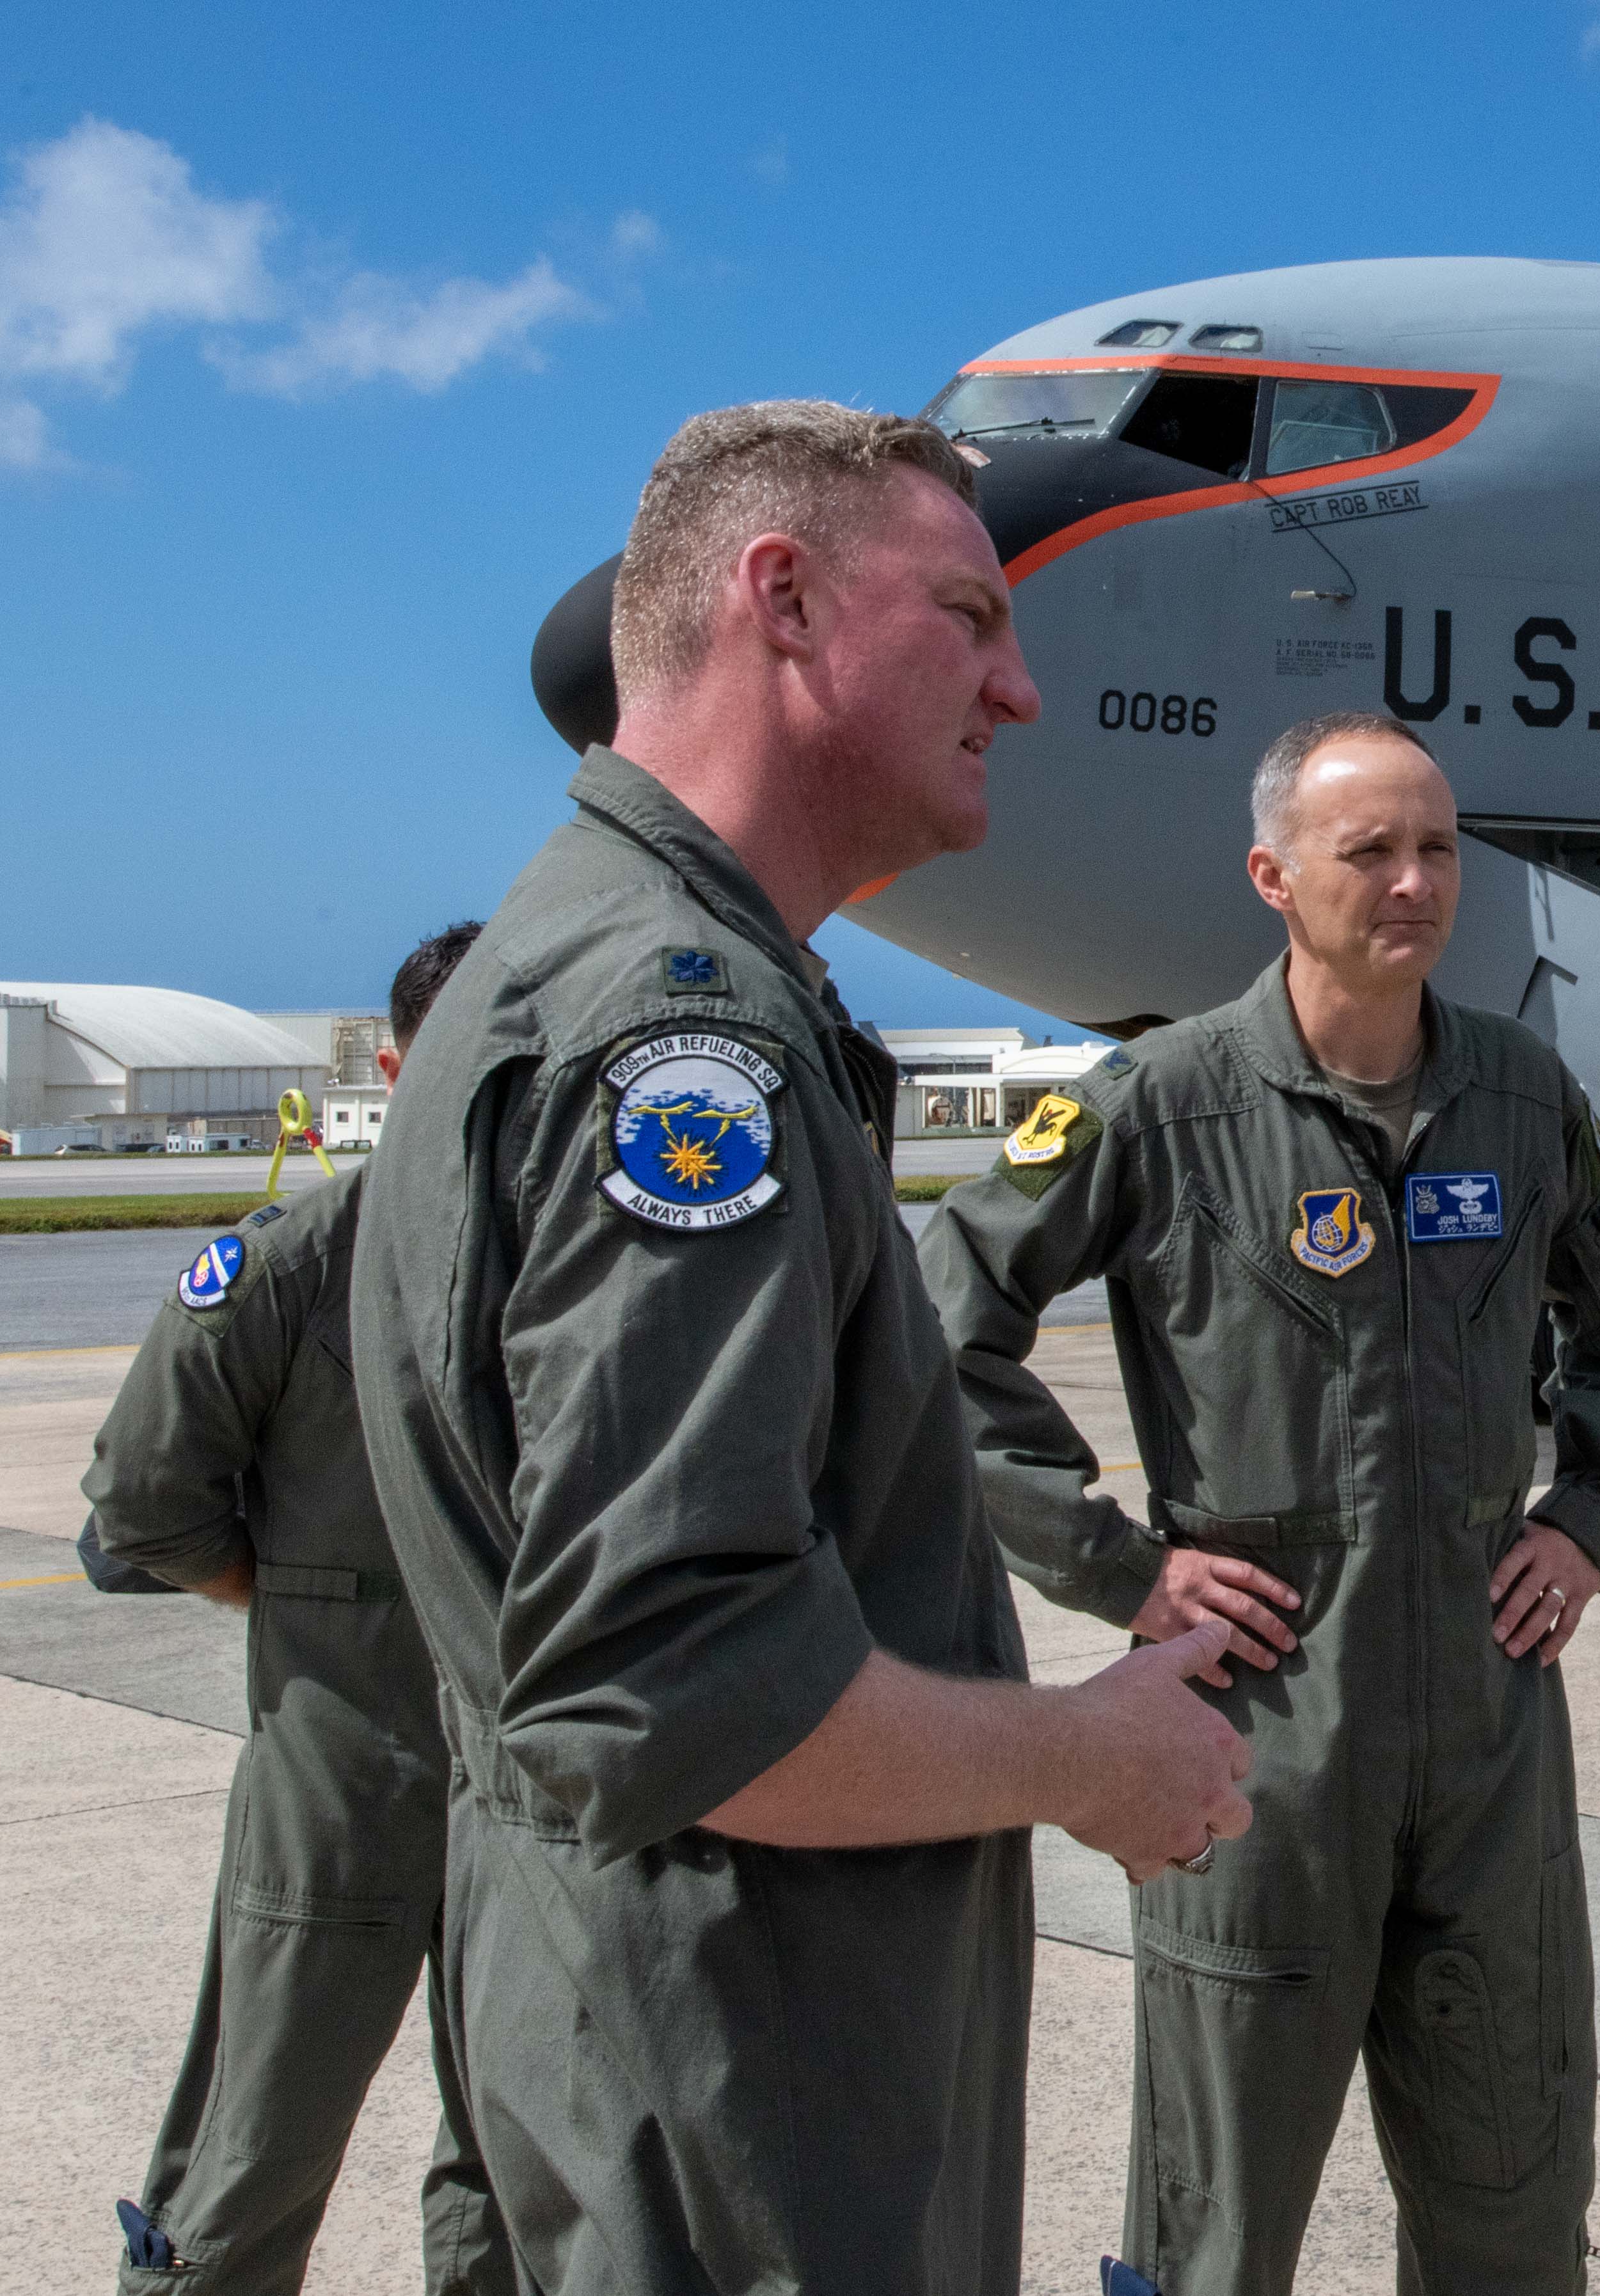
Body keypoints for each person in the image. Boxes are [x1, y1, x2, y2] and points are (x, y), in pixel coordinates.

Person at [350, 401, 1256, 2296]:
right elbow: (684, 1684)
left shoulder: (566, 963)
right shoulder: (684, 1042)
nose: (1018, 688)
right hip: (746, 2117)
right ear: (782, 599)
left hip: (653, 2055)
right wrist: (1088, 1753)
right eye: (970, 615)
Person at [914, 708, 1600, 2296]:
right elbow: (941, 1340)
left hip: (1488, 1738)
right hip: (1256, 1741)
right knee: (1219, 2220)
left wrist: (1586, 1522)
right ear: (1272, 874)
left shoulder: (1521, 1098)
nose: (1413, 883)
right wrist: (1118, 1567)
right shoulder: (1158, 1101)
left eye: (1438, 847)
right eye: (1371, 850)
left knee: (1515, 2201)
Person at [82, 922, 511, 2295]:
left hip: (532, 1769)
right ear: (394, 1066)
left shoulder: (587, 1259)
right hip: (343, 1765)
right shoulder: (290, 1260)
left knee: (521, 2148)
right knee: (259, 2140)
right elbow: (144, 1501)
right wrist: (296, 1604)